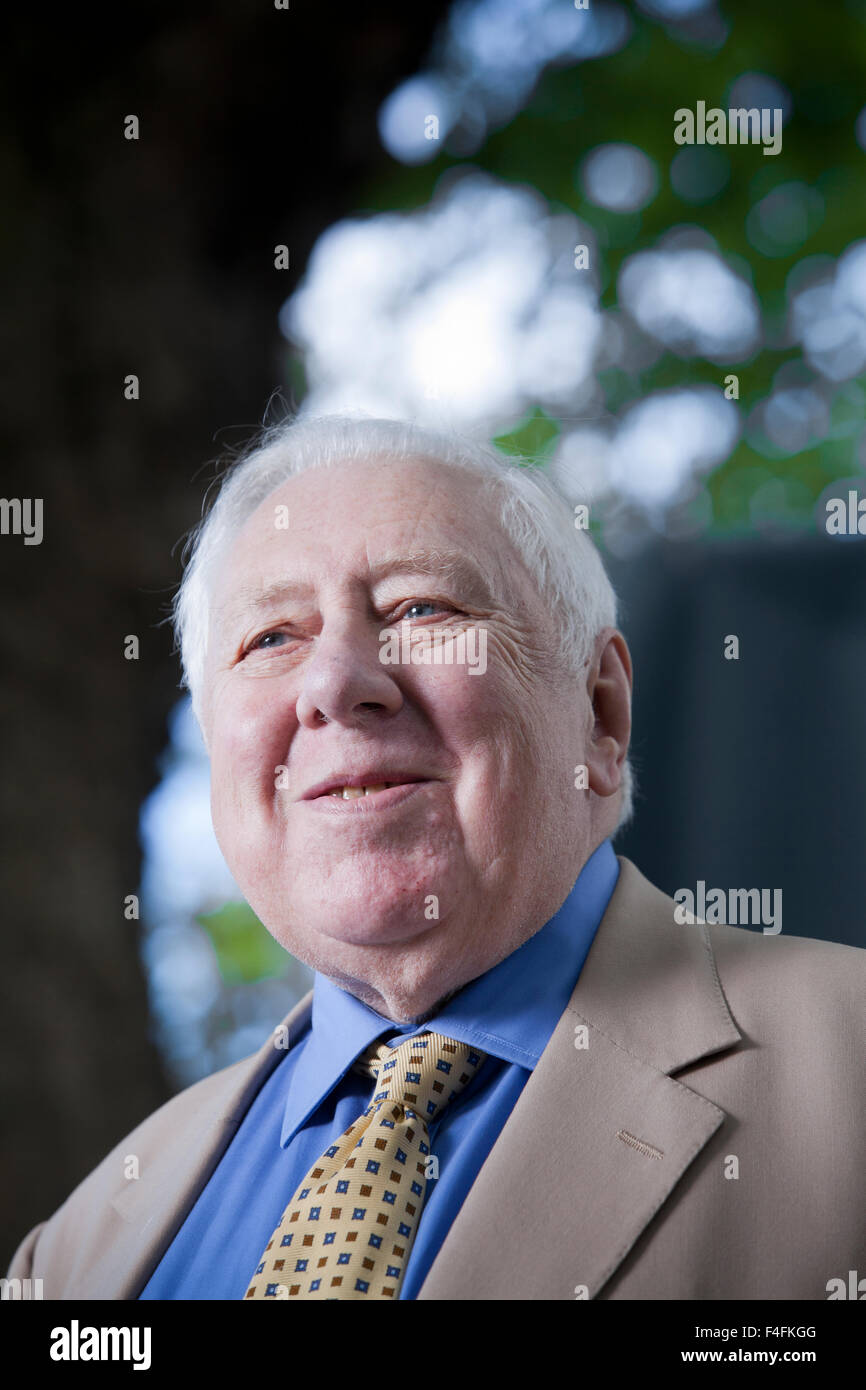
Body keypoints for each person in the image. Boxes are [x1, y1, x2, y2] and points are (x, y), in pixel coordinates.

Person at [8, 414, 866, 1300]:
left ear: (601, 714)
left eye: (423, 609)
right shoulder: (78, 1249)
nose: (336, 688)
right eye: (272, 638)